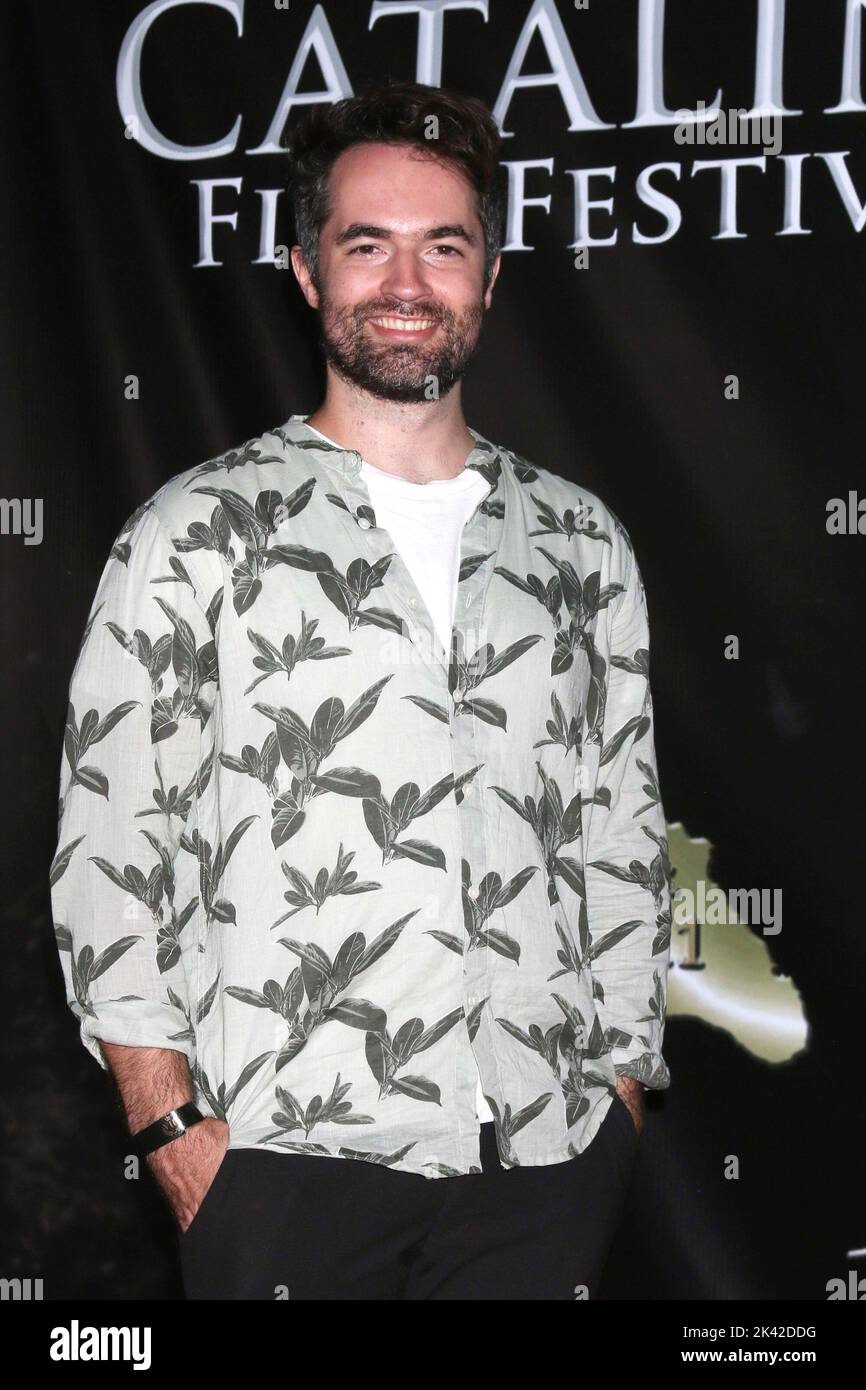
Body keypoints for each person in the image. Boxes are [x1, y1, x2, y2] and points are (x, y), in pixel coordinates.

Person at [50, 79, 672, 1300]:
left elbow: (623, 832)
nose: (405, 283)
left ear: (486, 277)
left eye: (442, 246)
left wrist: (619, 1089)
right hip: (284, 1157)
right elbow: (112, 848)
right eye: (366, 244)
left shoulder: (577, 543)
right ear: (304, 269)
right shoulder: (195, 534)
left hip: (541, 1158)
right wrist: (175, 1135)